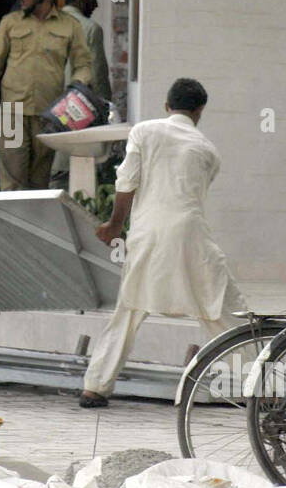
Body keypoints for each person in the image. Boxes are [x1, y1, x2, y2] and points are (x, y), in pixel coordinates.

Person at [80, 78, 248, 408]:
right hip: (191, 236)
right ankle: (264, 385)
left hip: (148, 235)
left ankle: (95, 386)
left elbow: (127, 181)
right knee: (223, 311)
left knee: (129, 309)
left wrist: (115, 225)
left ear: (166, 105)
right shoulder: (209, 151)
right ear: (200, 111)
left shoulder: (144, 131)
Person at [0, 0, 92, 190]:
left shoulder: (70, 26)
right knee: (13, 182)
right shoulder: (10, 23)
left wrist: (76, 89)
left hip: (49, 115)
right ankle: (11, 227)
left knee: (39, 182)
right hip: (12, 114)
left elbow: (84, 64)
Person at [52, 0, 113, 187]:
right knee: (78, 180)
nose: (96, 4)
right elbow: (98, 78)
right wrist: (107, 114)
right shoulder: (90, 29)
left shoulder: (49, 24)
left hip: (47, 107)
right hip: (77, 112)